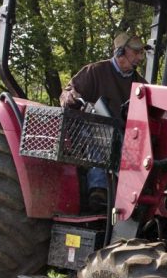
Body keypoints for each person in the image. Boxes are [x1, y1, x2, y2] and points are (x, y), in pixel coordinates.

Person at [62, 31, 146, 212]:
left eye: (142, 52)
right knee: (104, 134)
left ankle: (136, 196)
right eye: (136, 52)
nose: (140, 57)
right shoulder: (94, 71)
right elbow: (68, 93)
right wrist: (71, 98)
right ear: (120, 53)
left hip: (122, 134)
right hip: (88, 131)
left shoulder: (140, 83)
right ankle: (99, 191)